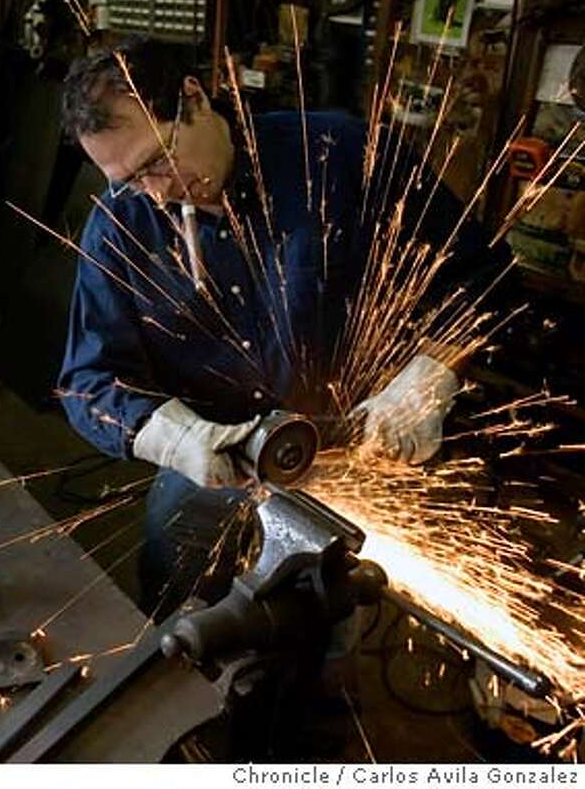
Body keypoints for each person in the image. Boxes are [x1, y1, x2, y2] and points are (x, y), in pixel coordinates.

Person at [56, 38, 501, 617]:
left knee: (329, 610)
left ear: (193, 98)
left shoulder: (340, 155)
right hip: (223, 456)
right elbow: (88, 378)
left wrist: (428, 377)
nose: (158, 192)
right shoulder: (122, 224)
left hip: (359, 443)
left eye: (158, 159)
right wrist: (178, 438)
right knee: (178, 590)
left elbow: (481, 274)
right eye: (130, 180)